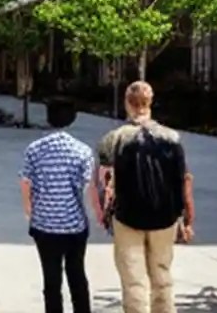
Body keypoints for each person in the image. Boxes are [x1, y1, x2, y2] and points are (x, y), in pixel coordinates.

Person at [98, 82, 194, 313]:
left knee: (133, 281)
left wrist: (104, 211)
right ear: (150, 103)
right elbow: (183, 180)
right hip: (165, 216)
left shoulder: (114, 139)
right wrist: (187, 217)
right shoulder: (172, 138)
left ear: (127, 104)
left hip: (128, 216)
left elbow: (105, 181)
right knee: (162, 277)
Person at [20, 97, 98, 313]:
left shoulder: (34, 149)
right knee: (77, 274)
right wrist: (94, 215)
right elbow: (88, 187)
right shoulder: (82, 151)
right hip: (74, 225)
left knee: (51, 278)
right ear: (72, 119)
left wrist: (29, 211)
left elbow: (26, 183)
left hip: (44, 224)